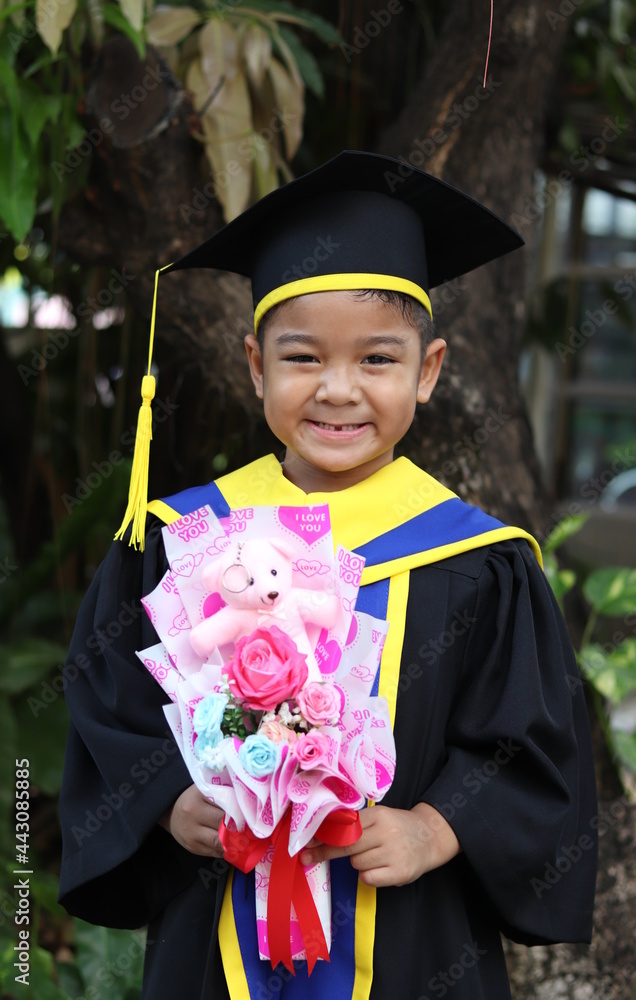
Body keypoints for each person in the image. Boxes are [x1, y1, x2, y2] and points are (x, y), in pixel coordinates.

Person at [58, 150, 598, 1000]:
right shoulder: (184, 538)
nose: (338, 390)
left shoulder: (476, 560)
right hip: (219, 919)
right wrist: (164, 799)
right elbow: (106, 698)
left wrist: (433, 829)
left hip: (411, 941)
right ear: (254, 365)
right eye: (302, 358)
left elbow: (528, 744)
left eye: (377, 360)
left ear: (427, 371)